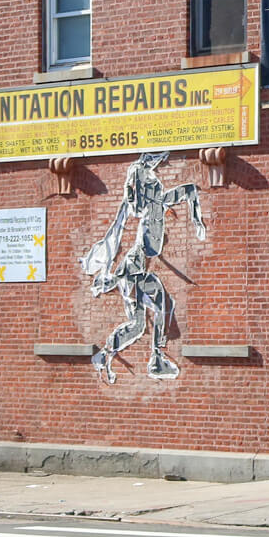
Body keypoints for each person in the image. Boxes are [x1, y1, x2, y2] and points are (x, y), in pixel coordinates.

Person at [83, 151, 206, 383]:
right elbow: (188, 190)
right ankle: (157, 359)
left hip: (132, 272)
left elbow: (187, 191)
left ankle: (105, 355)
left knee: (138, 325)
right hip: (134, 271)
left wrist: (196, 218)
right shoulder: (149, 206)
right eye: (151, 184)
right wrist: (196, 220)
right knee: (164, 304)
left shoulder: (151, 206)